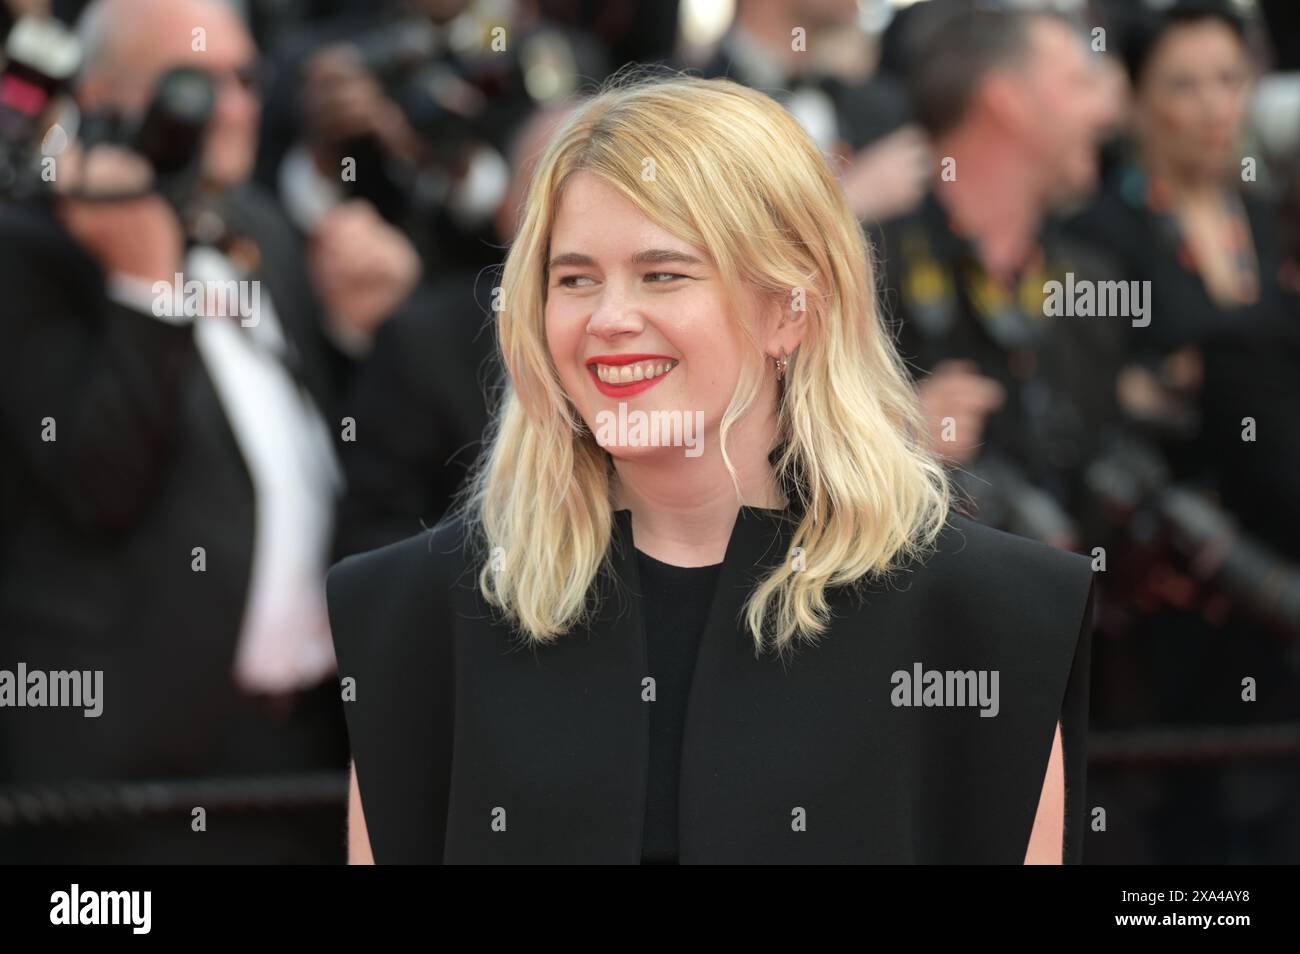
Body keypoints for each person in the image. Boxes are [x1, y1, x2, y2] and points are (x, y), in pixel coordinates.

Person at [326, 74, 1096, 865]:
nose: (610, 318)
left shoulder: (987, 621)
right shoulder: (414, 617)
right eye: (574, 278)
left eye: (664, 273)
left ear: (789, 308)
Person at [0, 0, 414, 862]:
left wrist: (355, 331)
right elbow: (96, 483)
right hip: (128, 782)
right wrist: (146, 288)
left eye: (243, 77)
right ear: (104, 97)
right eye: (195, 81)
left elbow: (308, 449)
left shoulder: (257, 224)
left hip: (302, 753)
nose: (232, 105)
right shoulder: (29, 251)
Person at [874, 7, 1123, 548]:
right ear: (1007, 99)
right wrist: (890, 438)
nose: (1107, 111)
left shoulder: (1091, 279)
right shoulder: (863, 267)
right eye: (1081, 83)